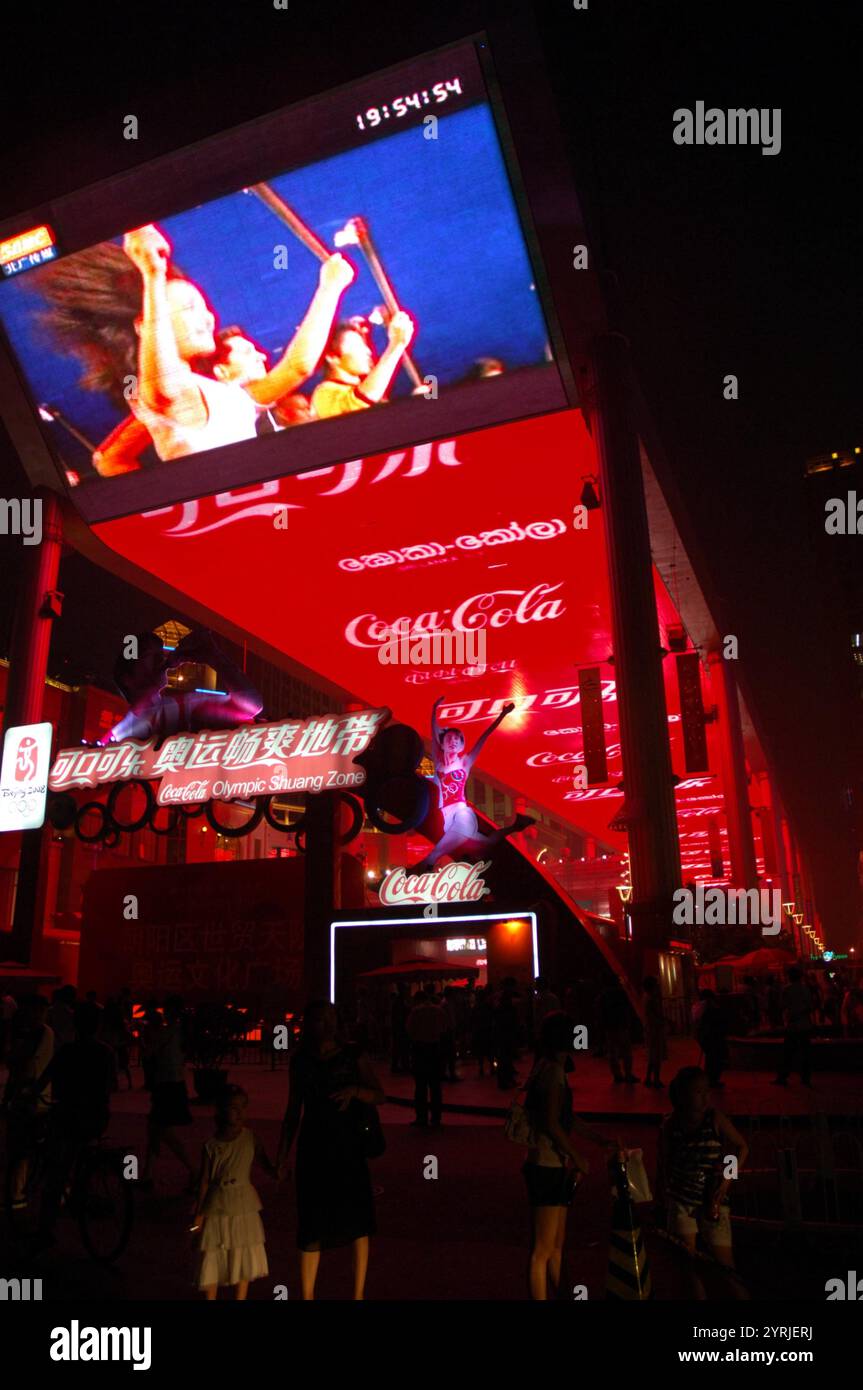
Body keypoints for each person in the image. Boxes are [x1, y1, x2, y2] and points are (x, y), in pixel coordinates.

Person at [37, 226, 355, 465]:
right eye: (190, 309)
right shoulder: (162, 395)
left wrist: (330, 287)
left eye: (205, 308)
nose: (208, 318)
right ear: (147, 323)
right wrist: (151, 273)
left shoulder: (229, 397)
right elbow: (163, 388)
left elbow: (296, 367)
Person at [278, 1001, 384, 1300]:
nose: (326, 1025)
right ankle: (308, 1294)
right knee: (311, 1224)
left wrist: (355, 1092)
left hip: (348, 1146)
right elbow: (292, 1110)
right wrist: (282, 1156)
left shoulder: (352, 1055)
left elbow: (379, 1094)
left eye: (331, 1018)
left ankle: (358, 1293)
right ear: (310, 1024)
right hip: (314, 1147)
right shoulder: (301, 1061)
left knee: (358, 1220)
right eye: (320, 1019)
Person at [521, 1011, 617, 1300]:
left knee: (555, 1245)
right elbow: (553, 1121)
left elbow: (565, 1117)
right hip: (547, 1163)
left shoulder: (545, 1067)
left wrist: (598, 1140)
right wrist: (577, 1155)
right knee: (544, 1249)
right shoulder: (553, 1071)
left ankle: (561, 1293)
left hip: (548, 1162)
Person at [408, 696, 534, 874]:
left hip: (462, 813)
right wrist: (434, 709)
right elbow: (433, 730)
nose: (453, 741)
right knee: (486, 842)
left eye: (457, 740)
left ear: (461, 746)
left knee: (435, 853)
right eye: (449, 738)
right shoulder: (438, 762)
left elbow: (484, 737)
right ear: (442, 743)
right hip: (446, 818)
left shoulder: (464, 763)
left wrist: (502, 715)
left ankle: (411, 874)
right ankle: (516, 826)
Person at [654, 1067, 749, 1298]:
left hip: (711, 1201)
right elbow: (664, 1164)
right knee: (689, 1267)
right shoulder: (670, 1125)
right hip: (681, 1201)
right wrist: (662, 1199)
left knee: (726, 1268)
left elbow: (742, 1147)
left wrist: (727, 1178)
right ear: (683, 1095)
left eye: (707, 1091)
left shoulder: (714, 1119)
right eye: (699, 1092)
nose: (706, 1097)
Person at [36, 1002, 116, 1239]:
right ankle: (82, 1192)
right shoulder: (106, 1052)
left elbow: (44, 1079)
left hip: (69, 1117)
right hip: (97, 1117)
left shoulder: (67, 1051)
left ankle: (46, 1230)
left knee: (57, 1173)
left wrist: (31, 1093)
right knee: (84, 1153)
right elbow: (111, 1085)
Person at [191, 1085, 275, 1300]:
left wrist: (279, 1171)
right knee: (214, 1253)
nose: (239, 1113)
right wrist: (199, 1215)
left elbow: (266, 1164)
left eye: (242, 1107)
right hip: (217, 1204)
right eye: (233, 1108)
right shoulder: (211, 1145)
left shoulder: (250, 1138)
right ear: (221, 1111)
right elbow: (205, 1181)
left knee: (242, 1250)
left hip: (243, 1203)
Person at [2, 995, 54, 1209]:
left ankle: (17, 1195)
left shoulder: (40, 1033)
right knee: (29, 1148)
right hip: (33, 1096)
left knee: (21, 1147)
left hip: (32, 1098)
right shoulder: (41, 1033)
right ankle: (21, 1193)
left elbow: (20, 1061)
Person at [311, 312, 415, 418]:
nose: (368, 351)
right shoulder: (324, 394)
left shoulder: (364, 388)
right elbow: (356, 403)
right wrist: (396, 345)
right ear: (332, 357)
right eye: (357, 346)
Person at [141, 995, 196, 1192]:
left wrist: (145, 1034)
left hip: (166, 1084)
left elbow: (149, 1052)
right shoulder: (180, 1030)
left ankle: (194, 1170)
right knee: (155, 1129)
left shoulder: (168, 1031)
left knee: (161, 1130)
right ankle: (147, 1175)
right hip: (174, 1083)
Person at [406, 984, 446, 1126]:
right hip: (435, 1048)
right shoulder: (438, 1010)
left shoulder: (415, 1012)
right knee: (435, 1086)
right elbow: (443, 1029)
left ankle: (421, 1117)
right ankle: (436, 1118)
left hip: (420, 1049)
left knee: (420, 1086)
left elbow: (410, 1031)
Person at [772, 966, 815, 1087]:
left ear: (789, 976)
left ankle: (783, 1077)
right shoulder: (805, 989)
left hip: (793, 1025)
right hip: (805, 1025)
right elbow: (810, 1006)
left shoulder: (787, 989)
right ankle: (805, 1079)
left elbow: (782, 1005)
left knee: (788, 1053)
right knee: (805, 1053)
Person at [597, 981, 638, 1084]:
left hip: (610, 1027)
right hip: (621, 1025)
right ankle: (628, 1074)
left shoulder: (603, 995)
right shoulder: (621, 993)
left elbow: (601, 1012)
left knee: (612, 1052)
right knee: (626, 1051)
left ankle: (617, 1075)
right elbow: (627, 1008)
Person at [695, 990, 727, 1089]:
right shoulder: (709, 1008)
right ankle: (712, 1080)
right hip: (711, 1037)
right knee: (713, 1059)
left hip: (705, 1036)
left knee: (711, 1059)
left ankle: (710, 1079)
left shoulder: (699, 1007)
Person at [642, 976, 666, 1088]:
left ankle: (648, 1078)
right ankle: (656, 1079)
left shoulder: (646, 997)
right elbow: (657, 1015)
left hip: (649, 1028)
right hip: (654, 1029)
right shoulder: (652, 999)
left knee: (652, 1055)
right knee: (656, 1055)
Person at [470, 985, 495, 1078]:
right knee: (490, 1050)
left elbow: (472, 1019)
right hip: (487, 1030)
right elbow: (492, 1017)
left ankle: (481, 1068)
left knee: (480, 1051)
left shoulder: (475, 1007)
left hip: (478, 1031)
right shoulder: (488, 1006)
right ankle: (492, 1067)